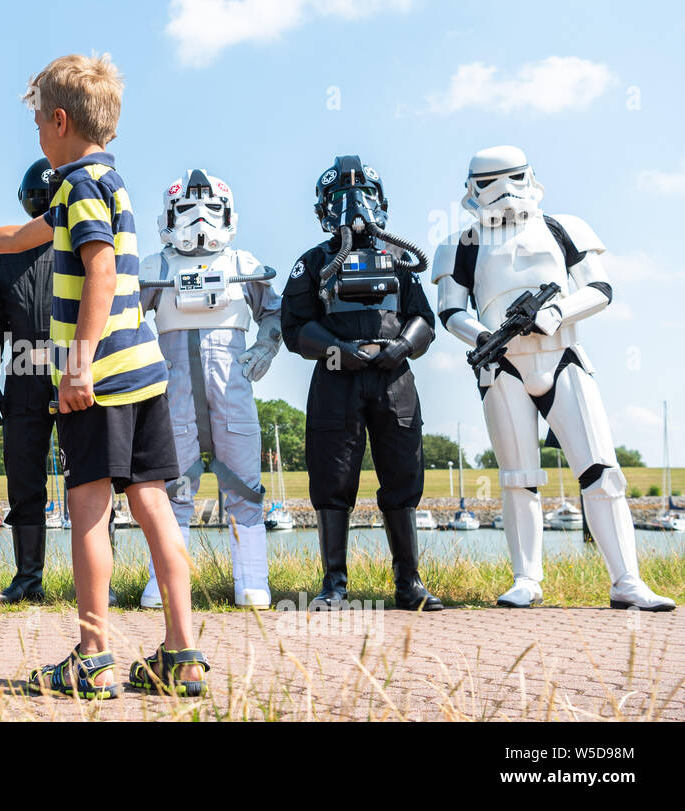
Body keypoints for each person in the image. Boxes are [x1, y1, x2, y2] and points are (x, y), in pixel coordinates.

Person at [0, 54, 210, 698]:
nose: (34, 131)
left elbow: (102, 271)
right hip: (144, 372)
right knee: (154, 507)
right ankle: (183, 652)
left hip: (101, 377)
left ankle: (93, 658)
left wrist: (77, 366)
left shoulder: (78, 186)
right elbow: (25, 234)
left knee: (87, 512)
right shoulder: (104, 180)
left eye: (36, 120)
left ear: (59, 120)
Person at [433, 145, 674, 611]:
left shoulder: (562, 227)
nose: (503, 192)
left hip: (562, 353)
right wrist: (486, 335)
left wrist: (557, 311)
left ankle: (627, 580)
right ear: (472, 189)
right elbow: (450, 309)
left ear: (529, 176)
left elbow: (599, 288)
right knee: (518, 478)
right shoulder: (461, 244)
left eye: (513, 178)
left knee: (602, 469)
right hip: (501, 365)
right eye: (490, 183)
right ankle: (527, 579)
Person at [281, 155, 441, 612]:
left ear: (381, 202)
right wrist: (338, 349)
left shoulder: (399, 259)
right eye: (340, 195)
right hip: (336, 379)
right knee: (332, 479)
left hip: (394, 380)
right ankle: (335, 585)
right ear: (322, 208)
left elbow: (424, 320)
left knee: (403, 476)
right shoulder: (313, 263)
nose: (355, 204)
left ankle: (408, 584)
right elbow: (295, 327)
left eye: (365, 193)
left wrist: (404, 346)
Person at [139, 169, 282, 609]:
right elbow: (123, 315)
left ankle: (252, 579)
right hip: (171, 382)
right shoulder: (154, 266)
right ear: (169, 216)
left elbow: (274, 313)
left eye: (210, 210)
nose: (198, 220)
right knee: (171, 485)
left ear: (227, 215)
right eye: (186, 210)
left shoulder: (244, 264)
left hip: (232, 381)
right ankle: (166, 583)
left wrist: (265, 348)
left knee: (242, 483)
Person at [0, 159, 57, 606]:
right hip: (23, 377)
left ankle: (94, 579)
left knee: (88, 478)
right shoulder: (5, 255)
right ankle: (29, 578)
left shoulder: (81, 245)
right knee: (23, 476)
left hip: (76, 371)